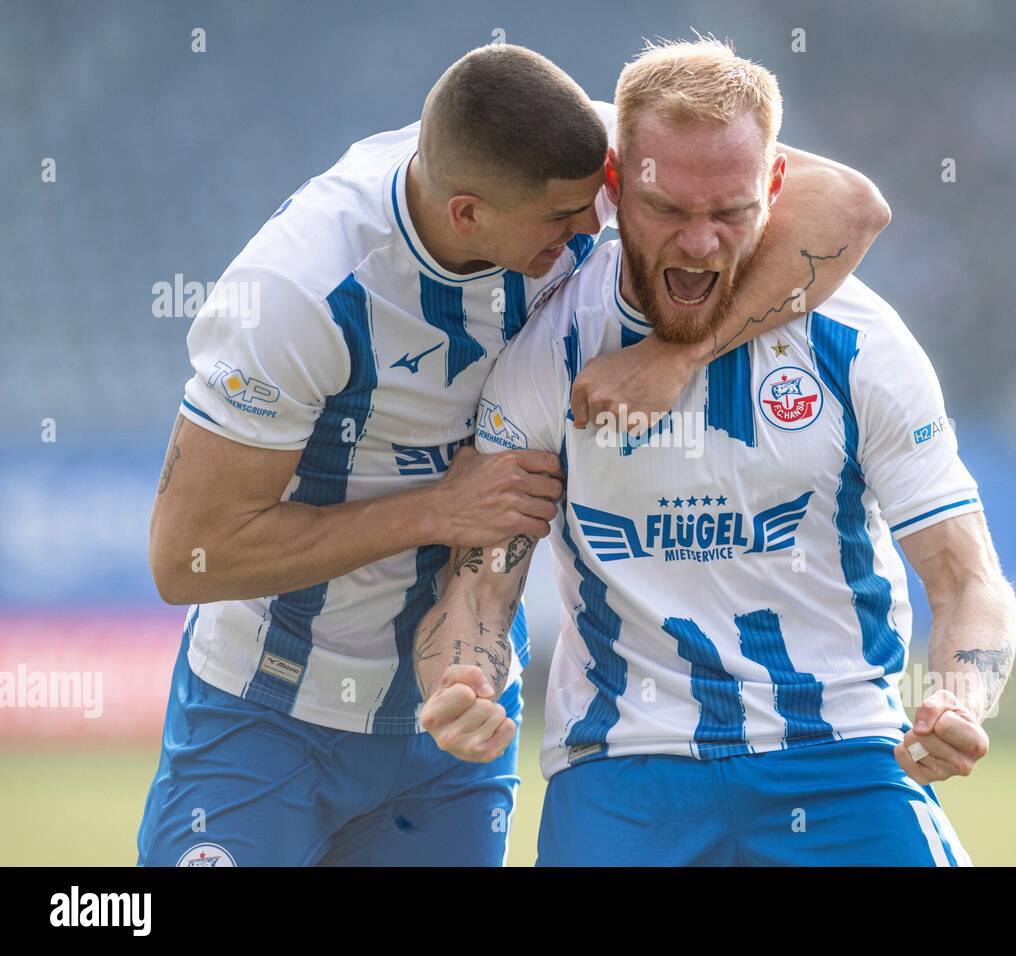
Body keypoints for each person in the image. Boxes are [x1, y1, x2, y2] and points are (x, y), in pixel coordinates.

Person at [138, 41, 891, 866]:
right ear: (469, 216)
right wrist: (434, 509)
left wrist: (679, 355)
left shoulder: (575, 163)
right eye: (566, 221)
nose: (595, 226)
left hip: (459, 716)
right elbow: (189, 557)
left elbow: (847, 203)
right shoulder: (296, 296)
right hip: (265, 714)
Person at [415, 37, 1016, 866]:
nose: (699, 244)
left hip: (841, 754)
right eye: (668, 210)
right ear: (616, 189)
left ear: (775, 188)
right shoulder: (543, 357)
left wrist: (958, 698)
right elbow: (482, 588)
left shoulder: (859, 346)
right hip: (623, 770)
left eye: (730, 212)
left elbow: (967, 577)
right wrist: (462, 682)